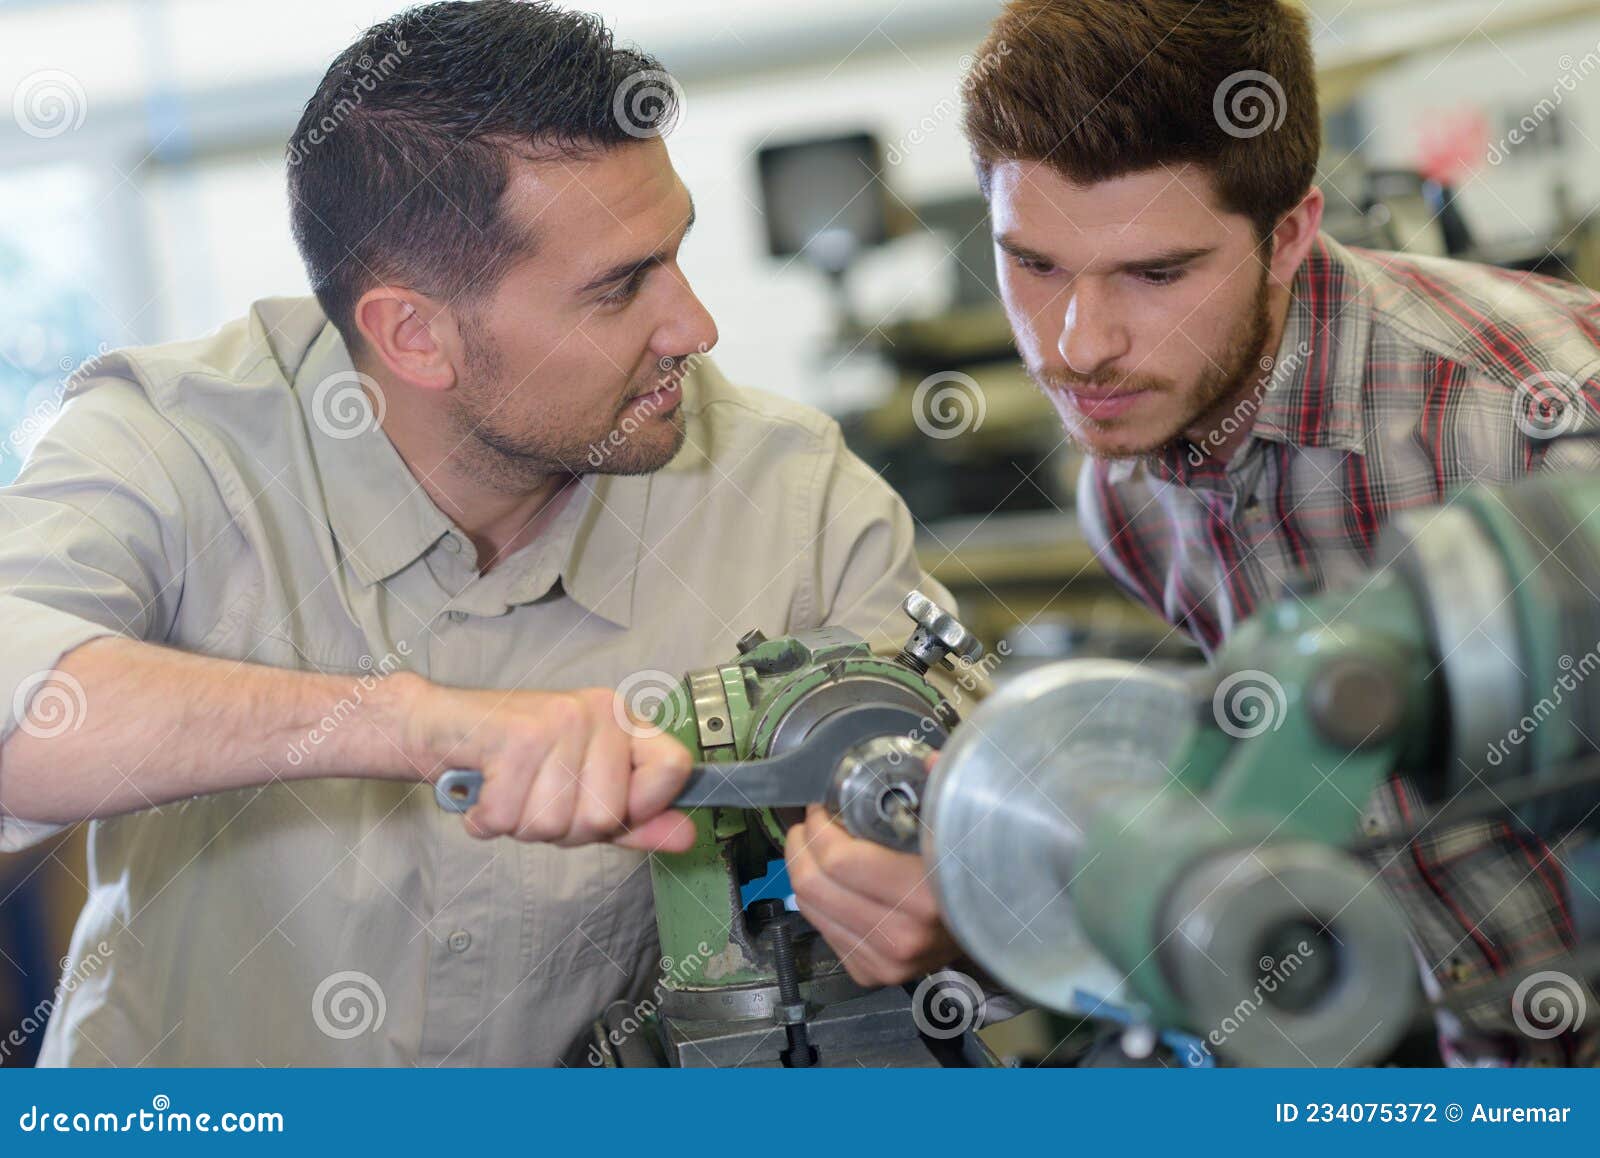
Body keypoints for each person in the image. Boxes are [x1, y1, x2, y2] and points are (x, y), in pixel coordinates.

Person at [0, 1, 957, 1066]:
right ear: (414, 336)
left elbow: (991, 848)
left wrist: (945, 905)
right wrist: (415, 724)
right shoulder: (174, 441)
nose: (695, 327)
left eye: (674, 252)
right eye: (619, 286)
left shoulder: (794, 499)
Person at [962, 0, 1600, 1064]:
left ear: (1289, 233)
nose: (1079, 346)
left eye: (1155, 274)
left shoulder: (1543, 416)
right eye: (1032, 263)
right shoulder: (1125, 490)